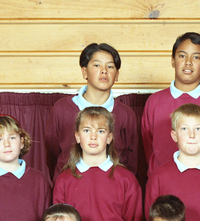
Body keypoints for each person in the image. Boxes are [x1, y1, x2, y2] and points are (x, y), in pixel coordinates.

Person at [52, 106, 143, 221]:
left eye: (100, 131)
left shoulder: (125, 179)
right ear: (77, 136)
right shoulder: (65, 180)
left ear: (109, 137)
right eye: (87, 131)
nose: (93, 137)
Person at [141, 32, 200, 171]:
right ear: (173, 60)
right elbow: (148, 149)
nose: (188, 62)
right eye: (182, 56)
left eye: (196, 57)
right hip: (163, 183)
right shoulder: (154, 102)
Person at [49, 43, 138, 177]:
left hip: (112, 189)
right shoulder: (61, 109)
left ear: (117, 75)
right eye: (97, 65)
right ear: (84, 71)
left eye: (110, 66)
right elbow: (52, 153)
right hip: (68, 188)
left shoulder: (126, 114)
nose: (104, 71)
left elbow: (131, 162)